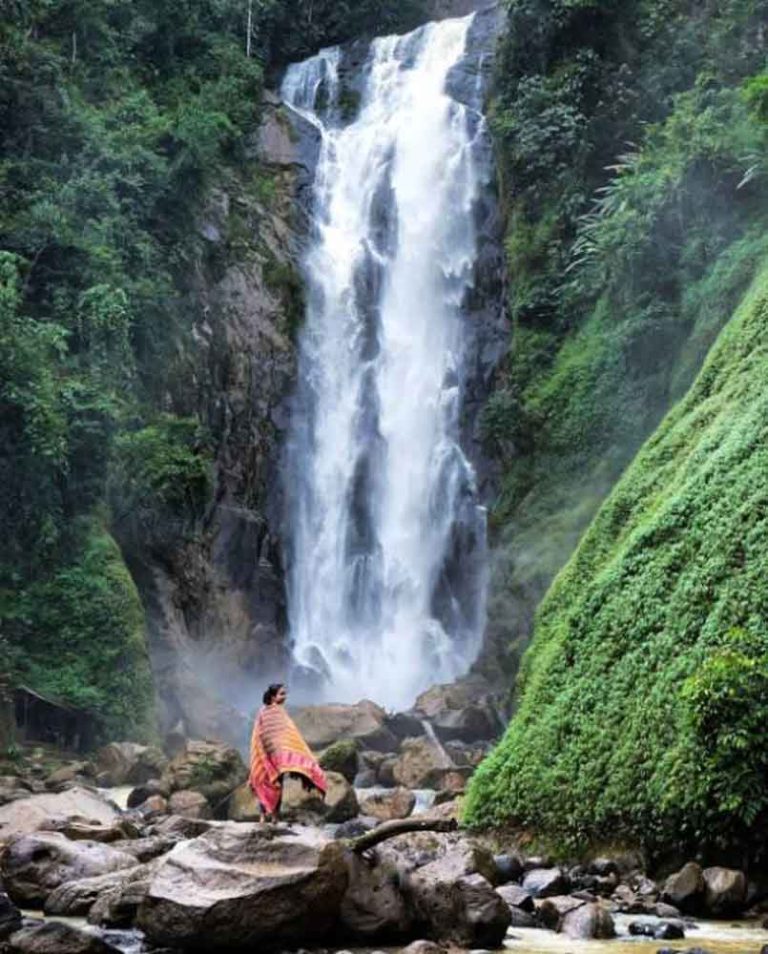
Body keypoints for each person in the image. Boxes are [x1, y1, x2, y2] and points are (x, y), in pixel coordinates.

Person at [248, 682, 327, 821]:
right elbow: (260, 735)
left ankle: (270, 816)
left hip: (274, 755)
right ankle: (269, 816)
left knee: (271, 784)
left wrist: (286, 748)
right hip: (268, 754)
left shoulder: (265, 711)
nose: (285, 697)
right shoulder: (273, 712)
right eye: (282, 694)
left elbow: (289, 735)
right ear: (273, 697)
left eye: (285, 694)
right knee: (270, 783)